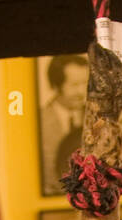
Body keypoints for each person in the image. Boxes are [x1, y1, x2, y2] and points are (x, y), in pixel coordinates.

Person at [41, 54, 88, 194]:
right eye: (74, 85)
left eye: (85, 83)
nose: (81, 92)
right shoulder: (40, 121)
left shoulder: (98, 119)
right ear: (56, 86)